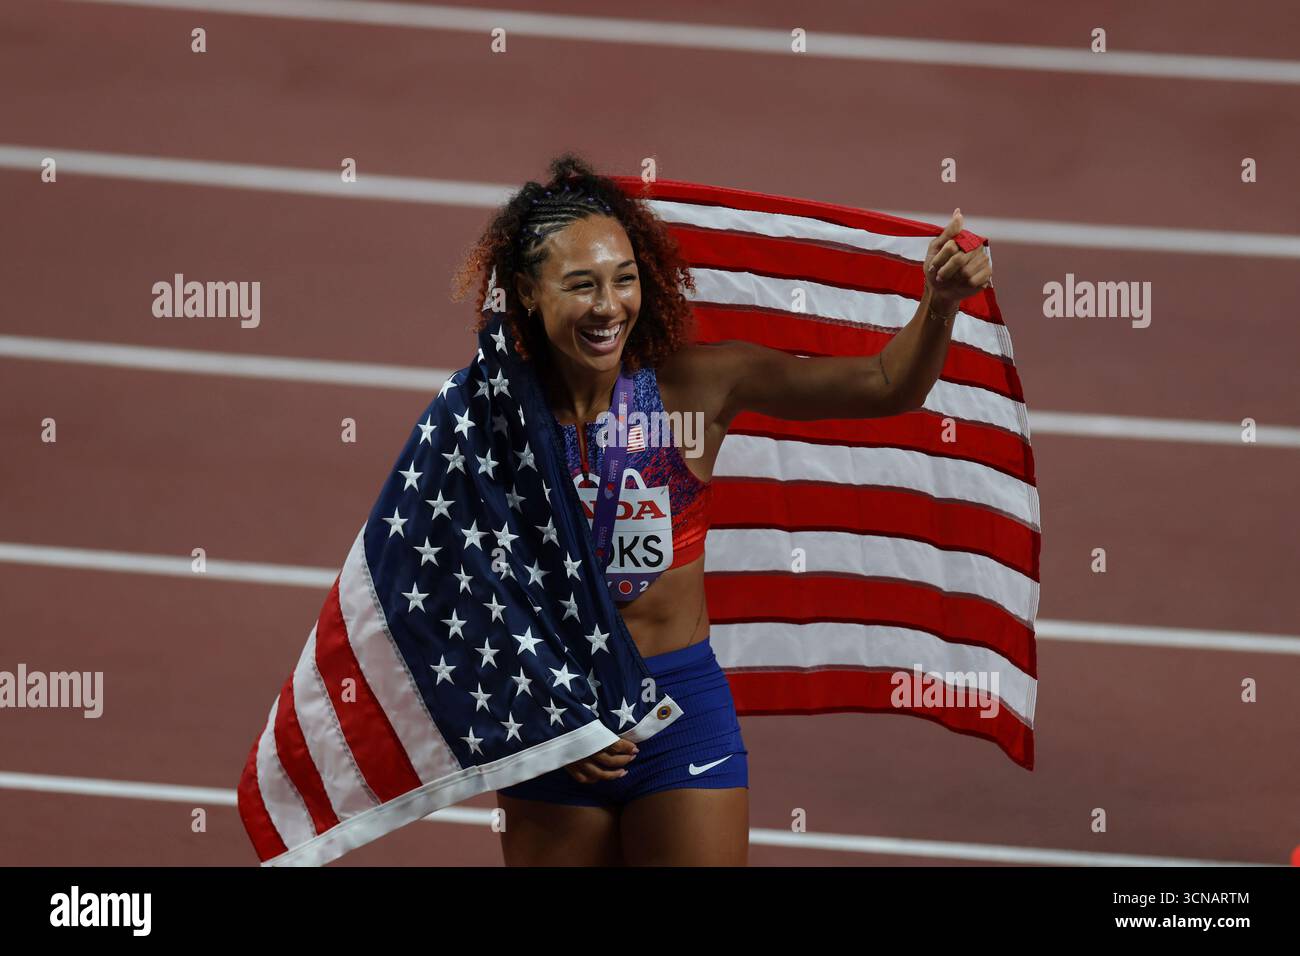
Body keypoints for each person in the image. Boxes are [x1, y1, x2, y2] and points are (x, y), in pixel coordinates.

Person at [451, 153, 991, 866]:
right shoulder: (489, 413)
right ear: (527, 289)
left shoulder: (695, 387)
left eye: (625, 279)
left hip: (681, 709)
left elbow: (886, 383)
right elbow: (457, 589)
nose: (609, 306)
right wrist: (544, 711)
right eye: (582, 284)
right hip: (558, 720)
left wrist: (940, 302)